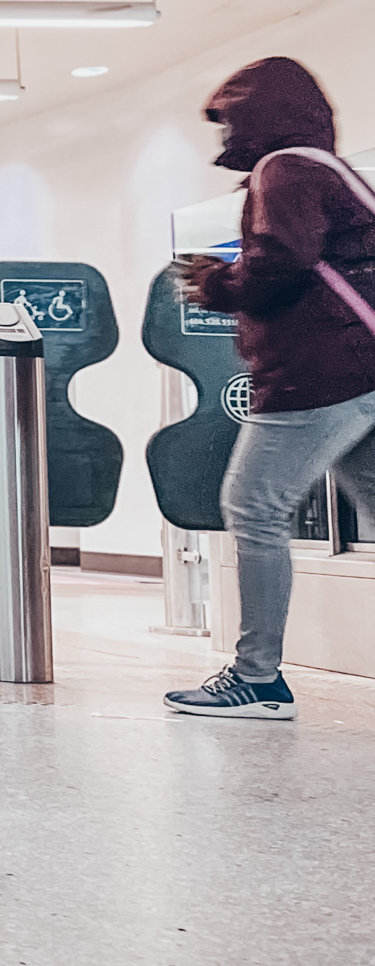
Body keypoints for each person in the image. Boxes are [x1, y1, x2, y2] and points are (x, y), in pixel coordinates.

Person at [167, 58, 375, 720]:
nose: (226, 134)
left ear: (263, 115)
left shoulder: (282, 169)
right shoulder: (332, 170)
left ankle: (257, 678)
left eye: (231, 119)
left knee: (254, 506)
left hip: (316, 373)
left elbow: (281, 259)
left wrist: (215, 282)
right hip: (364, 368)